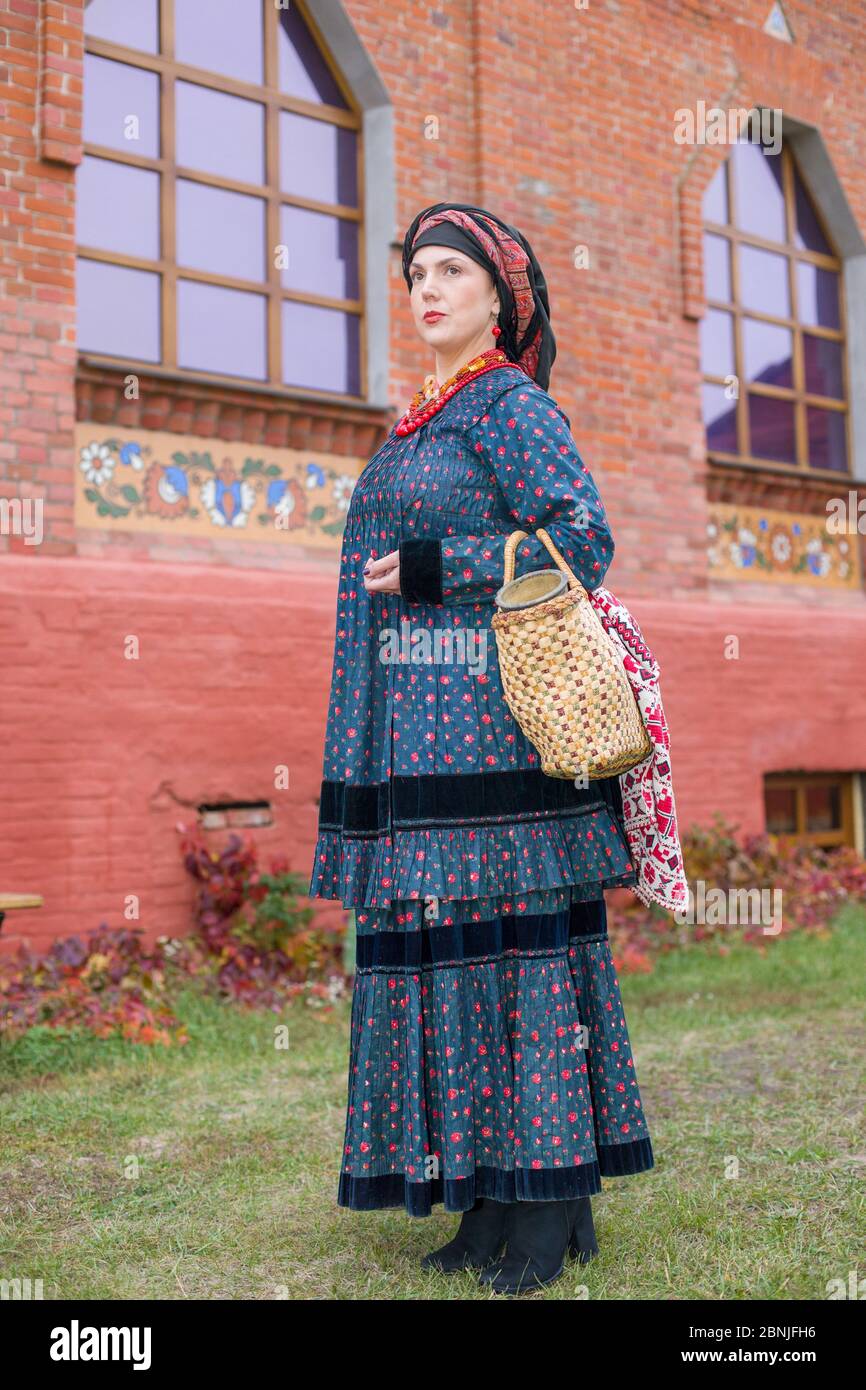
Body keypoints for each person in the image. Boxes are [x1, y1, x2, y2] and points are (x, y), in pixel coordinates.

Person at [308, 201, 654, 1295]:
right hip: (421, 748)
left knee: (523, 971)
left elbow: (581, 539)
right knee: (459, 966)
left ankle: (548, 1214)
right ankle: (493, 1200)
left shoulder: (507, 405)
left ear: (500, 297)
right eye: (415, 270)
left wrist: (435, 567)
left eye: (451, 269)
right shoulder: (417, 421)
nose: (427, 286)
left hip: (499, 745)